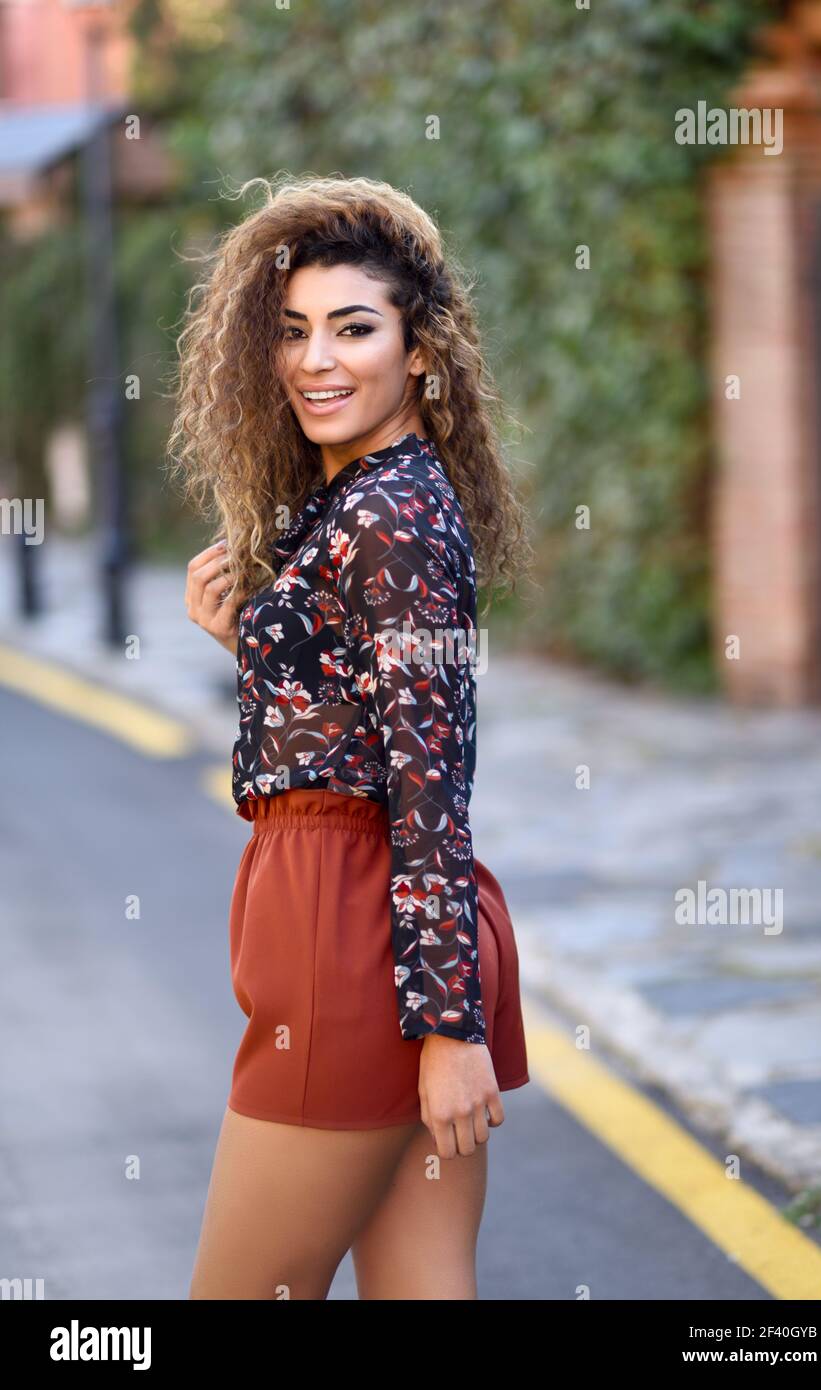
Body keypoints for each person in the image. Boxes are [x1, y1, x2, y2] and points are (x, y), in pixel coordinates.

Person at [169, 173, 535, 1299]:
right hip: (398, 937)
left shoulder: (388, 514)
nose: (315, 360)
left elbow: (429, 779)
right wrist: (259, 642)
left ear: (420, 350)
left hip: (355, 942)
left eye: (353, 328)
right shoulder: (378, 498)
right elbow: (371, 730)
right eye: (292, 332)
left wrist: (445, 1029)